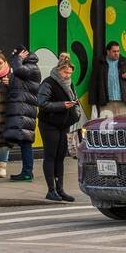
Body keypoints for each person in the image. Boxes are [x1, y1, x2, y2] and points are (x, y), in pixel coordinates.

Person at [36, 54, 80, 202]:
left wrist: (76, 112)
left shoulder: (69, 84)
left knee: (61, 156)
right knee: (50, 155)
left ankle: (60, 189)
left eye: (70, 73)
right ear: (58, 70)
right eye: (65, 73)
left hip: (63, 124)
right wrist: (62, 105)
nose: (68, 76)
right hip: (49, 124)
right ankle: (51, 190)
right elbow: (42, 103)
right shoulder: (48, 82)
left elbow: (75, 99)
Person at [4, 46, 41, 182]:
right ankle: (26, 171)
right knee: (23, 141)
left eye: (17, 56)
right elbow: (21, 84)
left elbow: (19, 71)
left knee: (25, 142)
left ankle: (27, 172)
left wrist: (18, 58)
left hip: (25, 109)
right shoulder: (25, 67)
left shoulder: (31, 67)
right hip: (22, 108)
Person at [90, 42, 126, 118]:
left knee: (122, 126)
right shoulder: (100, 63)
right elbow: (93, 83)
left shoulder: (125, 61)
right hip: (106, 102)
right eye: (114, 51)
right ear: (108, 52)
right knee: (106, 127)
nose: (116, 53)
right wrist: (93, 102)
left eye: (118, 51)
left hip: (122, 101)